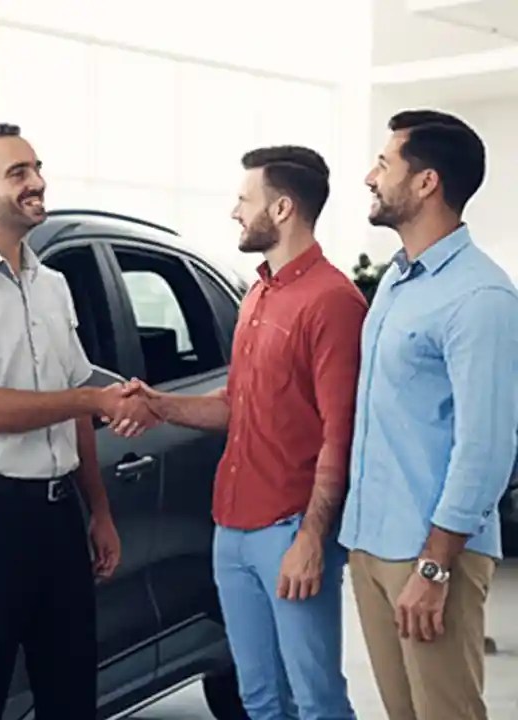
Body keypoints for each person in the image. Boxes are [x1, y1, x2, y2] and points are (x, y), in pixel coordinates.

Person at [0, 122, 154, 720]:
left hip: (58, 518)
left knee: (70, 690)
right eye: (19, 173)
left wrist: (99, 512)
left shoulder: (53, 285)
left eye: (37, 168)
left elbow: (74, 402)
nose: (38, 183)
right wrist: (92, 401)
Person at [111, 146, 366, 719]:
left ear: (280, 208)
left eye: (243, 200)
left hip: (291, 528)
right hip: (232, 527)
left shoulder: (332, 301)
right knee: (258, 698)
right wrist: (159, 406)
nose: (234, 211)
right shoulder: (258, 293)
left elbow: (340, 434)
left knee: (316, 698)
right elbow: (238, 405)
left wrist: (311, 541)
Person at [339, 109, 518, 720]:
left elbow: (487, 447)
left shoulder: (481, 296)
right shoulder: (397, 282)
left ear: (426, 183)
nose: (370, 176)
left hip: (431, 551)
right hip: (372, 544)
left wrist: (436, 566)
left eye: (384, 164)